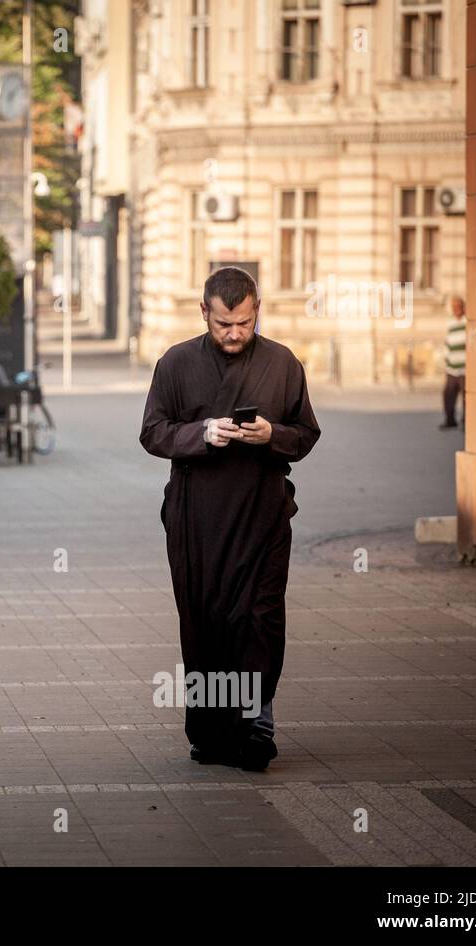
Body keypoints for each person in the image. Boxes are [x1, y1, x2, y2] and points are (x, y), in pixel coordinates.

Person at [139, 267, 320, 771]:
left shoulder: (284, 364)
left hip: (262, 516)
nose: (235, 333)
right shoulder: (174, 364)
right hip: (196, 520)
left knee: (257, 620)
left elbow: (306, 433)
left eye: (244, 322)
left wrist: (272, 437)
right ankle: (210, 732)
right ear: (204, 314)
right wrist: (201, 433)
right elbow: (153, 432)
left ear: (257, 311)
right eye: (224, 324)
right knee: (205, 624)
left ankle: (256, 721)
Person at [441, 296, 466, 430]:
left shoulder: (467, 322)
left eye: (458, 306)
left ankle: (466, 422)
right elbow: (447, 343)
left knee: (466, 397)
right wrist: (446, 360)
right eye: (454, 307)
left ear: (463, 307)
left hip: (465, 368)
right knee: (448, 394)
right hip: (452, 367)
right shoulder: (450, 324)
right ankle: (450, 419)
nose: (456, 309)